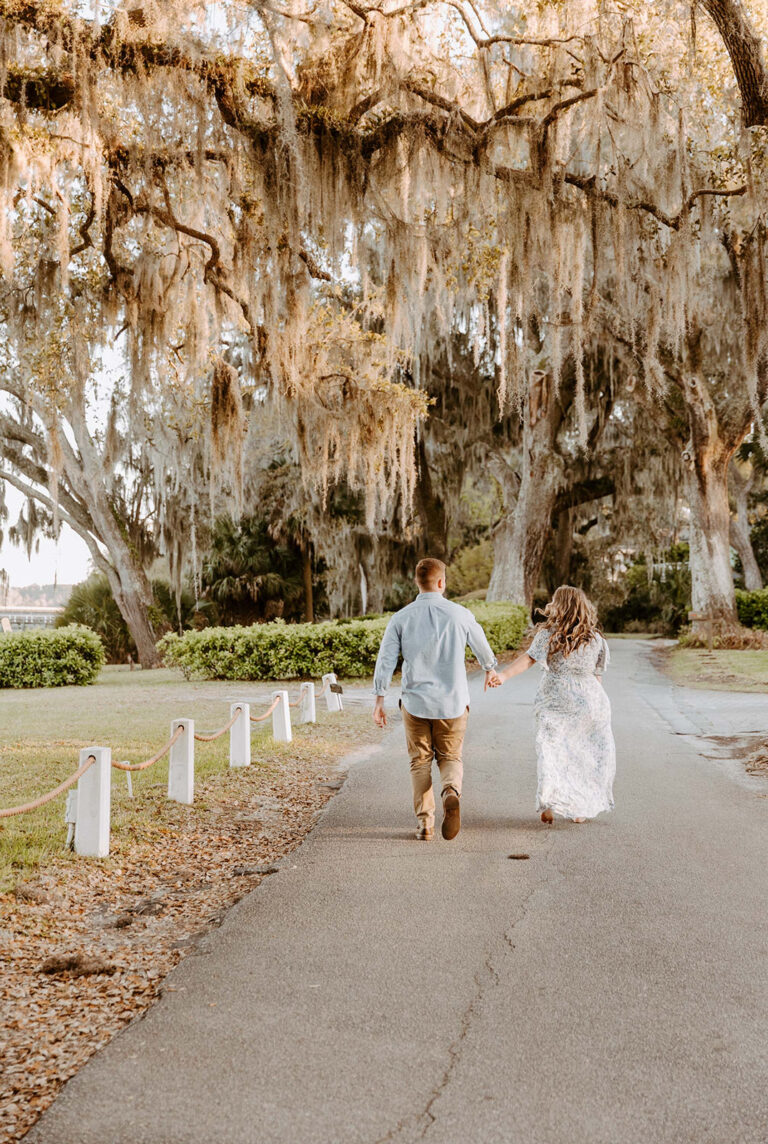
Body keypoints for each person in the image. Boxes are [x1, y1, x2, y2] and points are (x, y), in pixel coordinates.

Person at [372, 557, 500, 841]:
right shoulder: (460, 614)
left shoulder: (401, 617)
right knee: (450, 756)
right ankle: (450, 790)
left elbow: (386, 660)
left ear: (417, 583)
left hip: (415, 704)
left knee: (419, 762)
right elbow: (481, 645)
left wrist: (379, 698)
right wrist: (490, 668)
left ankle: (425, 824)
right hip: (453, 702)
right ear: (441, 582)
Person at [489, 585, 615, 825]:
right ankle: (579, 809)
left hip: (556, 698)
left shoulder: (549, 634)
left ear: (558, 606)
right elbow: (597, 677)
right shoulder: (596, 639)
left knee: (551, 750)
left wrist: (503, 676)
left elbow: (528, 659)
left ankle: (549, 802)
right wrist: (594, 708)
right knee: (584, 754)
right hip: (591, 702)